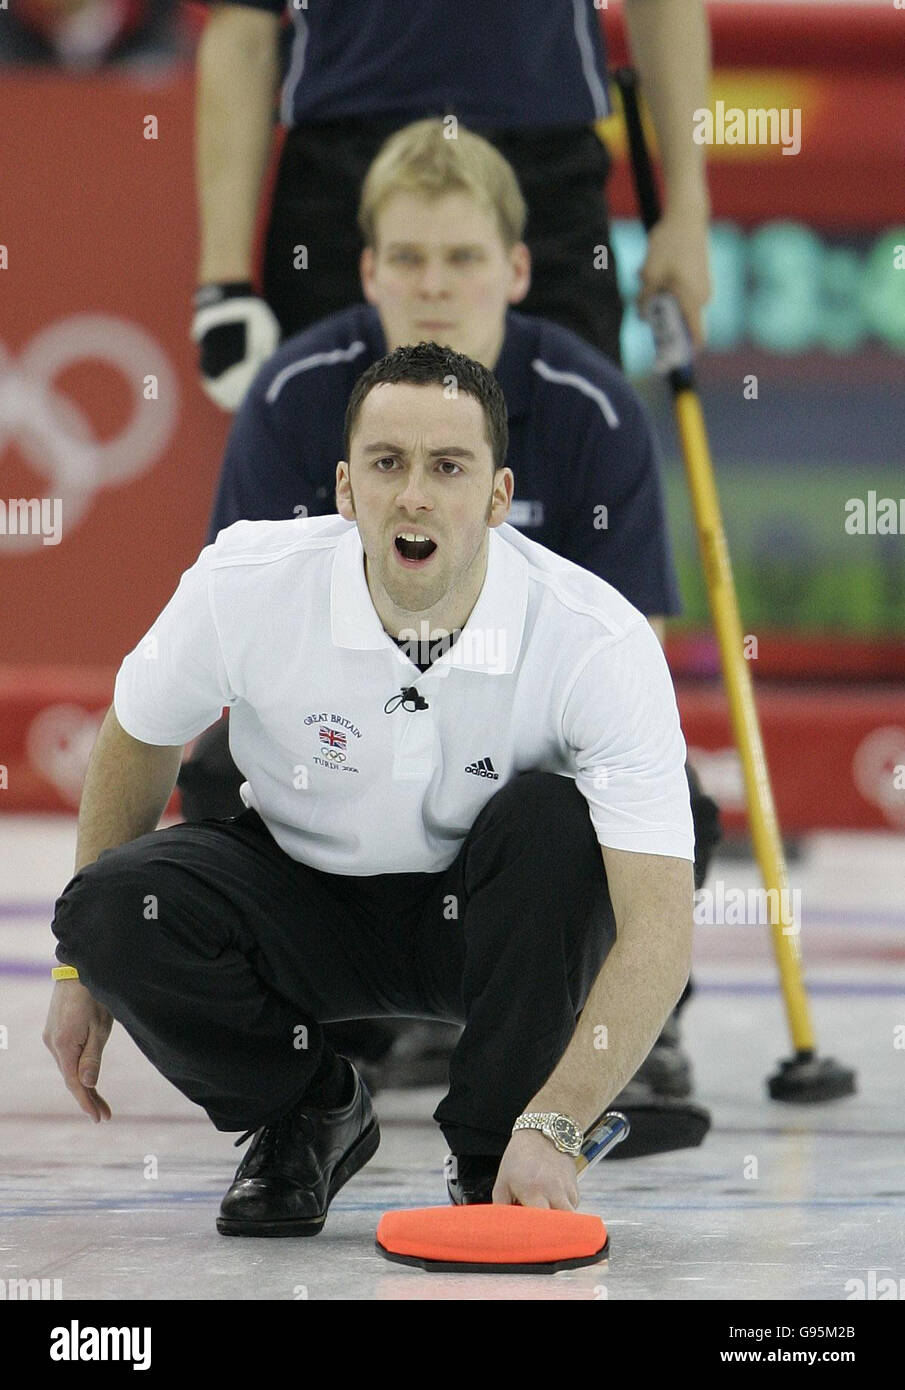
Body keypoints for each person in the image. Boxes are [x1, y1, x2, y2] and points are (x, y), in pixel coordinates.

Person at [45, 342, 696, 1230]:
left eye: (448, 466)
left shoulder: (596, 639)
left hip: (488, 929)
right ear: (347, 490)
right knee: (105, 909)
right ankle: (307, 1110)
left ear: (497, 497)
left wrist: (558, 1120)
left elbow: (659, 928)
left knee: (559, 823)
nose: (415, 494)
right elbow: (135, 737)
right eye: (388, 465)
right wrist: (78, 971)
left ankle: (493, 1145)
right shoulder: (246, 582)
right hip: (298, 906)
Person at [181, 120, 719, 1147]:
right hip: (336, 761)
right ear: (368, 268)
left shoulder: (592, 410)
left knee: (669, 798)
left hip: (519, 774)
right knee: (216, 771)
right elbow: (238, 645)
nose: (436, 285)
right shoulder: (293, 397)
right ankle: (328, 1048)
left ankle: (612, 1027)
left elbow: (629, 677)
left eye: (463, 257)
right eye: (411, 258)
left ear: (516, 269)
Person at [192, 0, 712, 407]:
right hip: (342, 177)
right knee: (335, 500)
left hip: (543, 174)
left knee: (566, 463)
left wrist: (688, 212)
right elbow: (242, 29)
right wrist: (224, 284)